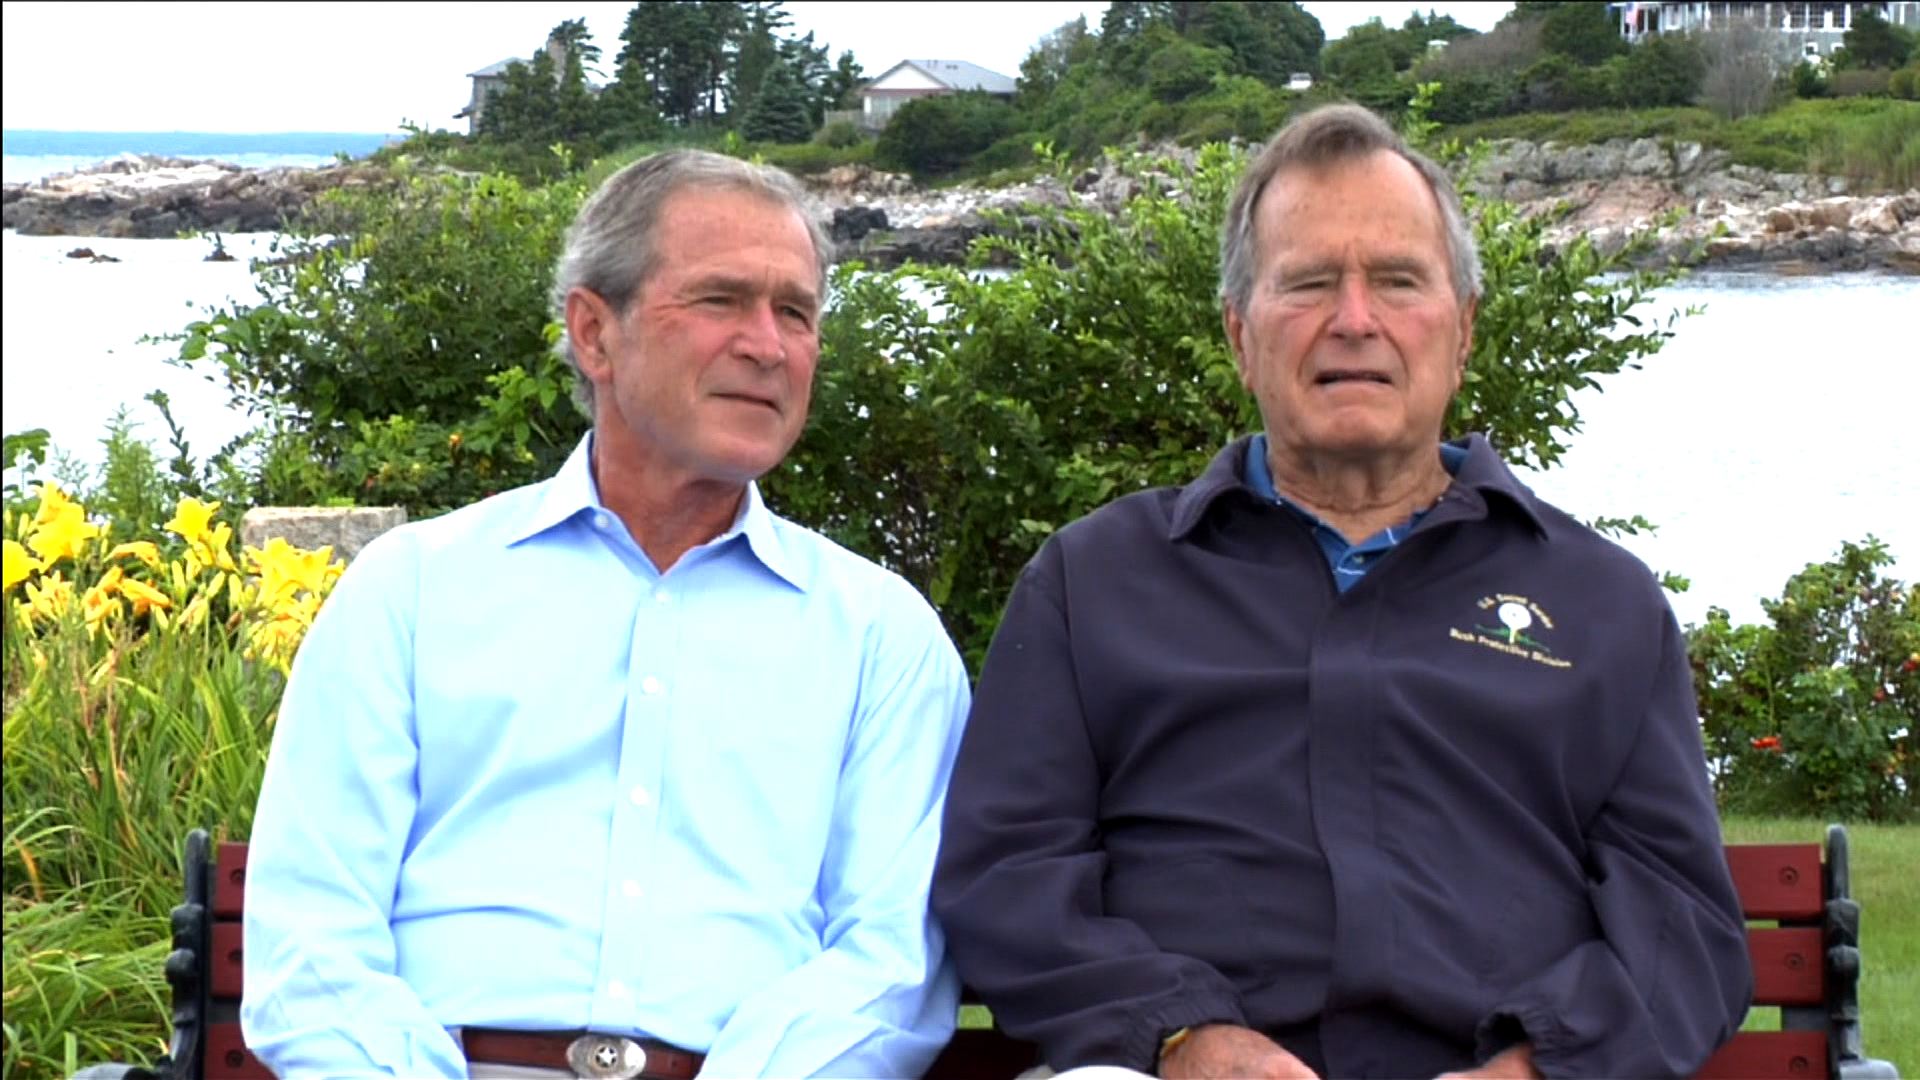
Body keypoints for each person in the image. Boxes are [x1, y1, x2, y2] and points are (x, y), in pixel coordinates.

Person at [931, 104, 1751, 1080]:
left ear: (1463, 332)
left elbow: (1683, 922)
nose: (1354, 320)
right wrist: (1180, 1033)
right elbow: (1007, 875)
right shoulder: (1092, 581)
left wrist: (1540, 1065)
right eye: (1309, 283)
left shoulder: (1602, 603)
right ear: (1241, 335)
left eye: (1398, 282)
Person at [242, 150, 973, 1080]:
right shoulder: (413, 591)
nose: (768, 344)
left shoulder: (881, 638)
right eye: (720, 301)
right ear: (595, 332)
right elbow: (311, 939)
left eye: (796, 312)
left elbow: (892, 963)